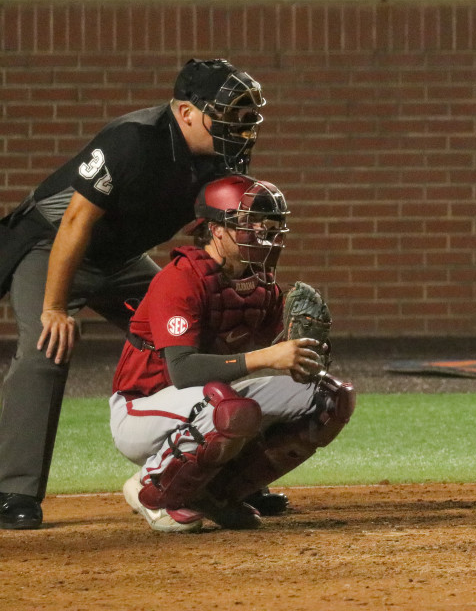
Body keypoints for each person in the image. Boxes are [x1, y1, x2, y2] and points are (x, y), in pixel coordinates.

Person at [0, 58, 265, 530]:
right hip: (53, 246)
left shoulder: (223, 153)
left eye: (245, 118)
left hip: (121, 259)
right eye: (228, 116)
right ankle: (12, 490)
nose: (239, 129)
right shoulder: (132, 140)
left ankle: (225, 481)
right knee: (47, 347)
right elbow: (75, 223)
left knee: (196, 338)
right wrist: (56, 307)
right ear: (186, 113)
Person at [109, 174, 355, 532]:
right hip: (141, 409)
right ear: (216, 229)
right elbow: (183, 371)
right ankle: (151, 488)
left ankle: (216, 493)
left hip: (206, 402)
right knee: (229, 408)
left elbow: (282, 354)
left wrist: (306, 356)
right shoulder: (179, 279)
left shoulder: (262, 285)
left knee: (328, 399)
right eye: (251, 225)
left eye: (271, 226)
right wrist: (267, 358)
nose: (264, 234)